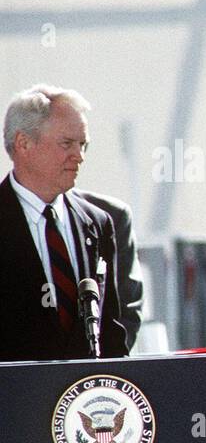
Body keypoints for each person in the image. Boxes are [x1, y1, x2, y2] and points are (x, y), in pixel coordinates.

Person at [1, 85, 128, 361]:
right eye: (67, 143)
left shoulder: (97, 223)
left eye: (83, 145)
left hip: (82, 399)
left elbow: (111, 332)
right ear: (23, 143)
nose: (79, 156)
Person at [74, 190, 143, 352]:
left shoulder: (110, 213)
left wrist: (106, 370)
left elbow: (128, 307)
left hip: (98, 367)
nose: (79, 162)